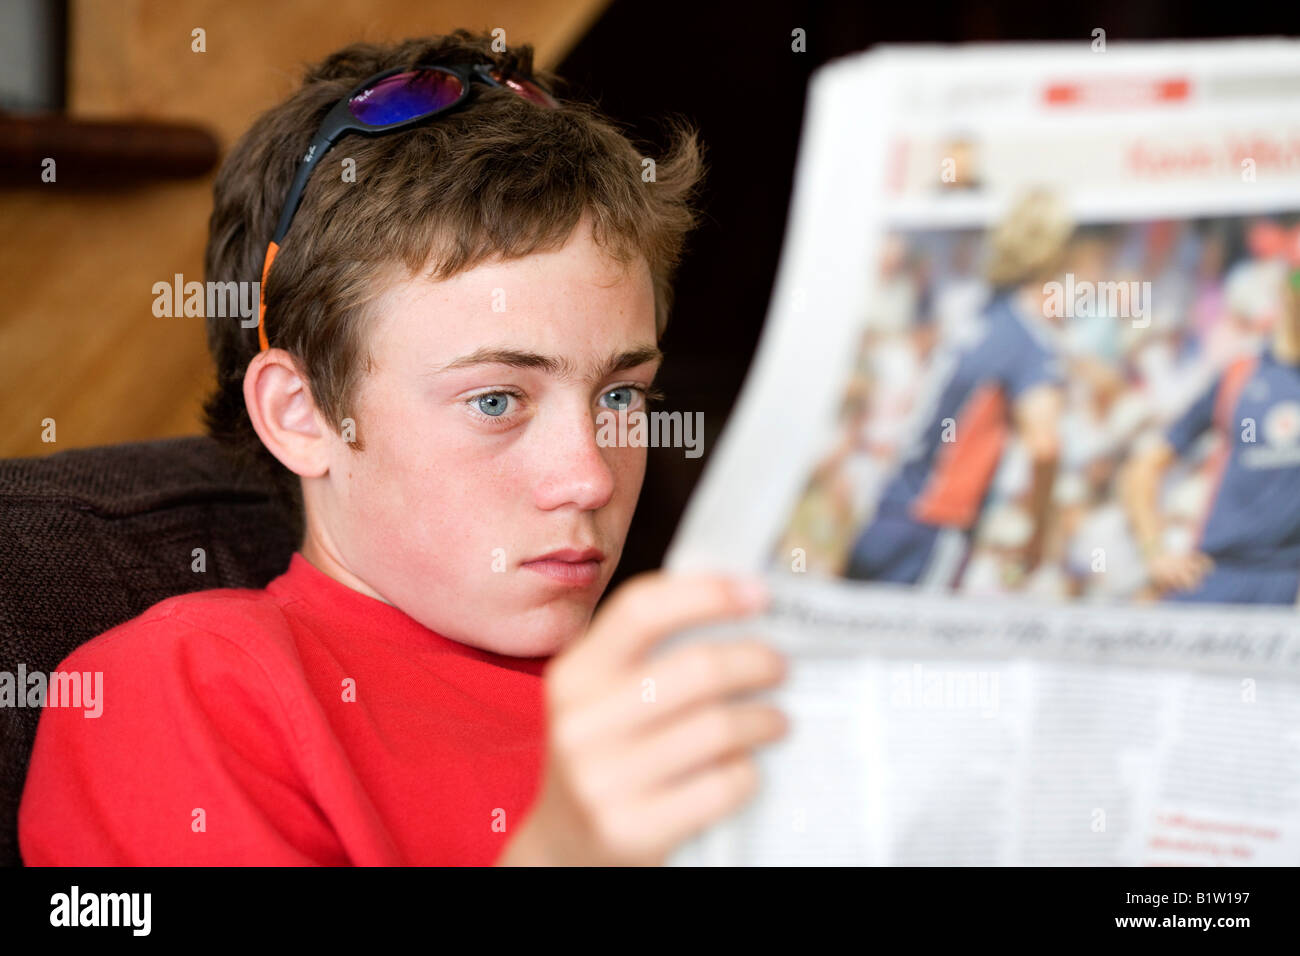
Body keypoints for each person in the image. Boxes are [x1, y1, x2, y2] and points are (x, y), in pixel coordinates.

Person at [19, 30, 787, 866]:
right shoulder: (187, 687)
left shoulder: (690, 688)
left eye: (619, 395)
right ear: (302, 413)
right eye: (497, 400)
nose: (590, 477)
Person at [844, 190, 1071, 589]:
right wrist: (1038, 533)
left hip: (889, 509)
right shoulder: (1027, 341)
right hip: (934, 525)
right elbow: (1045, 445)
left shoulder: (975, 315)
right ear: (1059, 257)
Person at [1121, 233, 1300, 605]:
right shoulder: (1241, 375)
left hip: (1288, 585)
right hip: (1218, 576)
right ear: (1286, 287)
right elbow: (1143, 469)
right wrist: (1156, 554)